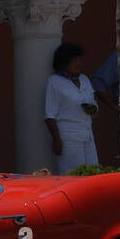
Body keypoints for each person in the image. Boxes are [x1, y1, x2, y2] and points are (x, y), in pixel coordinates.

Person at [44, 43, 99, 173]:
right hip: (68, 137)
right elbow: (49, 115)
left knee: (94, 172)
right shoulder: (55, 82)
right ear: (63, 63)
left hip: (87, 135)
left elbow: (94, 103)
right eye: (73, 60)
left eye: (79, 59)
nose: (78, 63)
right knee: (74, 175)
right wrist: (56, 140)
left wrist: (93, 110)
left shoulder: (84, 79)